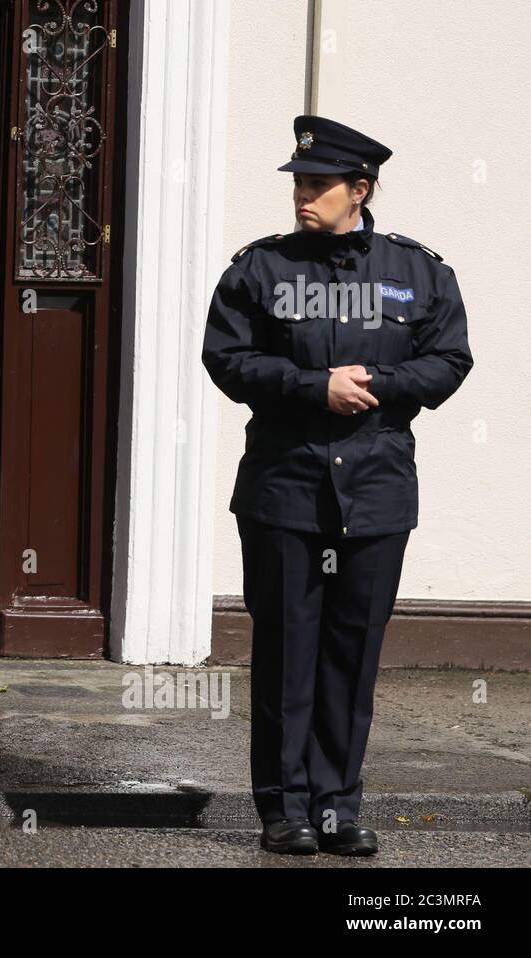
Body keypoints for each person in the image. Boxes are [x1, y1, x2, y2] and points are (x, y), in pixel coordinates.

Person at [201, 115, 473, 855]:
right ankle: (283, 809)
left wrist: (376, 384)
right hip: (285, 488)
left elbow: (449, 360)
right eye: (298, 182)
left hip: (377, 491)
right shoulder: (260, 269)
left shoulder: (418, 271)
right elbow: (226, 359)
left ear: (361, 189)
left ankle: (337, 808)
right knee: (287, 649)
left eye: (318, 184)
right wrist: (310, 386)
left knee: (352, 656)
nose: (303, 195)